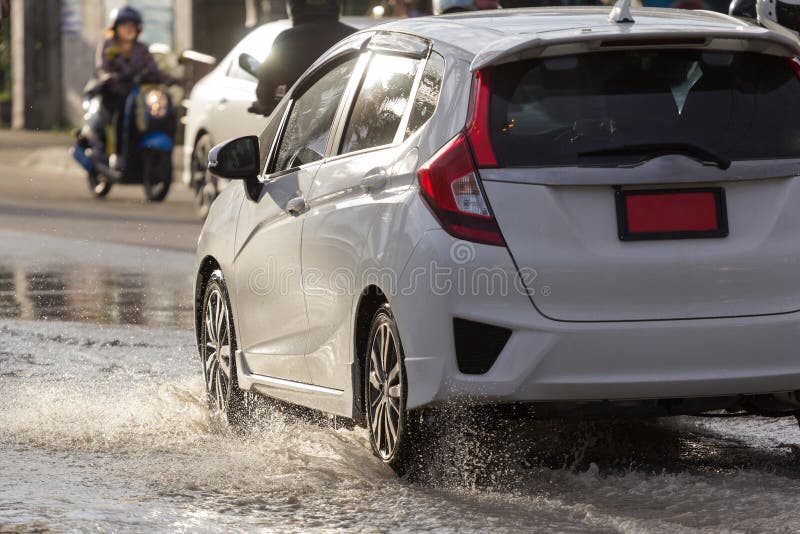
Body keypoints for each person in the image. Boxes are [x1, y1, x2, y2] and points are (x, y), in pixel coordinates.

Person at [250, 0, 355, 116]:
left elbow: (266, 89)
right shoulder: (355, 37)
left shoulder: (287, 40)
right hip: (350, 121)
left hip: (302, 125)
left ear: (294, 6)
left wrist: (263, 105)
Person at [94, 6, 167, 169]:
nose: (129, 29)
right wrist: (111, 76)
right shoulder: (108, 44)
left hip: (137, 95)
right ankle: (117, 154)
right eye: (125, 25)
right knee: (121, 114)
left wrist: (173, 79)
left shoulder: (142, 49)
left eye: (133, 25)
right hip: (114, 95)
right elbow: (102, 67)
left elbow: (154, 70)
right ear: (115, 27)